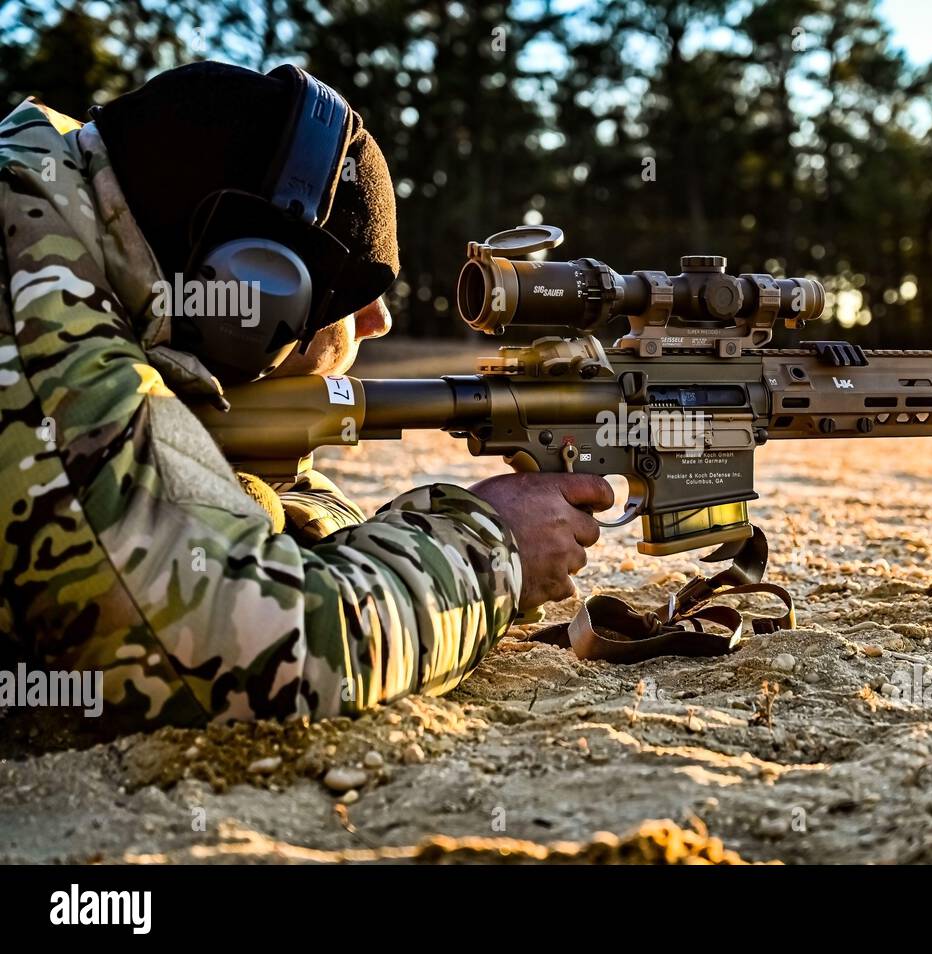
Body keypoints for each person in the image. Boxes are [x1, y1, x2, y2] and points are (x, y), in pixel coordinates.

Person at [0, 61, 611, 728]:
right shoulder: (35, 304)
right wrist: (493, 549)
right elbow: (258, 651)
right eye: (354, 298)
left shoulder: (64, 205)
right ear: (254, 296)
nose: (378, 323)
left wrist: (273, 512)